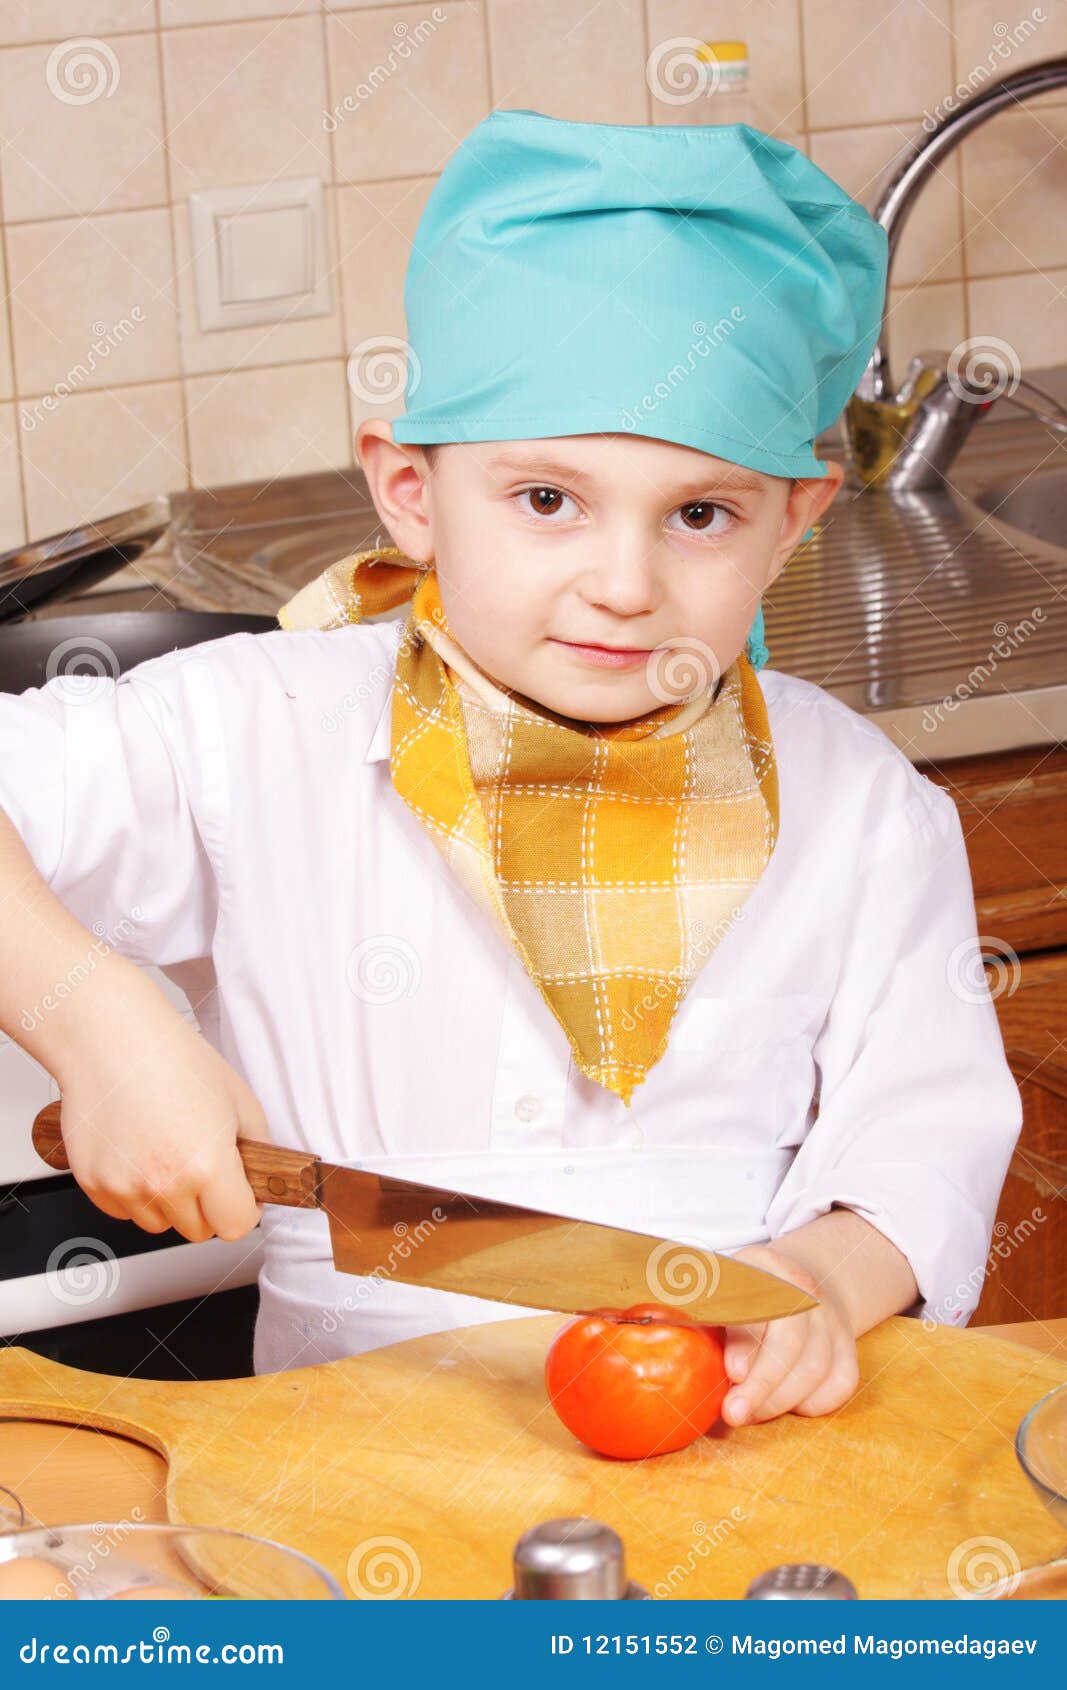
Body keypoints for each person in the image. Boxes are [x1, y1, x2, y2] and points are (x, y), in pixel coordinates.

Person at [0, 111, 1021, 1428]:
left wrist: (824, 1277)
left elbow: (925, 1129)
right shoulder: (257, 728)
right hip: (341, 1467)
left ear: (791, 522)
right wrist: (95, 1016)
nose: (623, 583)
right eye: (547, 501)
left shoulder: (866, 805)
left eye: (700, 513)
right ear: (410, 492)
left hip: (741, 1454)